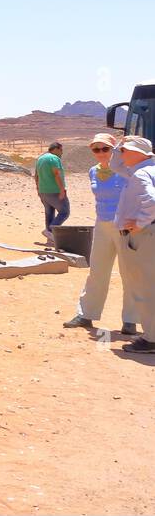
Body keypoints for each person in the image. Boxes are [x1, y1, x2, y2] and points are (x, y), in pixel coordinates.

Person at [63, 134, 135, 333]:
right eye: (96, 149)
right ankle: (86, 314)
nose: (101, 153)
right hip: (102, 224)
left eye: (105, 148)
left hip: (125, 226)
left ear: (114, 149)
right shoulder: (93, 171)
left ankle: (130, 320)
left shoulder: (126, 171)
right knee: (97, 271)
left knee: (129, 273)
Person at [109, 136, 155, 354]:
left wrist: (140, 222)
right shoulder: (146, 168)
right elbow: (114, 164)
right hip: (149, 235)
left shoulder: (140, 173)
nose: (122, 154)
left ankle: (151, 339)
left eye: (126, 150)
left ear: (138, 153)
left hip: (143, 237)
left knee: (144, 287)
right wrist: (120, 146)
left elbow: (153, 202)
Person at [34, 141, 69, 243]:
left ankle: (50, 240)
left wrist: (38, 189)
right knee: (65, 212)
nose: (62, 153)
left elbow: (36, 175)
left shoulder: (40, 158)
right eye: (61, 150)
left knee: (49, 214)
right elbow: (56, 174)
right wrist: (62, 190)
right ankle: (50, 231)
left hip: (43, 191)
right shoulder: (54, 158)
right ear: (56, 149)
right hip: (55, 191)